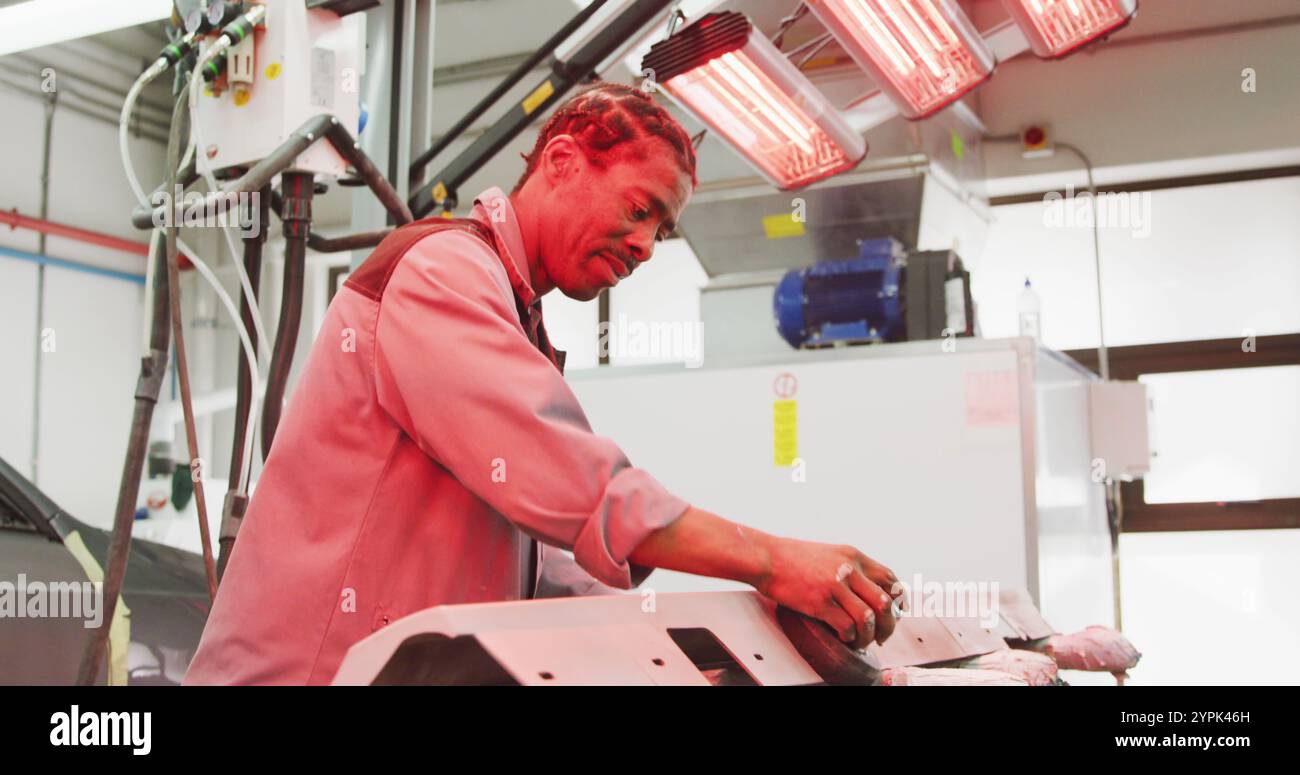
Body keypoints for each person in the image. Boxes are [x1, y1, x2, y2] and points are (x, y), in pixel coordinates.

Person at [184, 83, 899, 685]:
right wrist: (772, 562)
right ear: (561, 162)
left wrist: (717, 651)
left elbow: (548, 570)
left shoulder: (514, 314)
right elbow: (579, 485)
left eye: (663, 229)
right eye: (640, 208)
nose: (647, 245)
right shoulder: (441, 271)